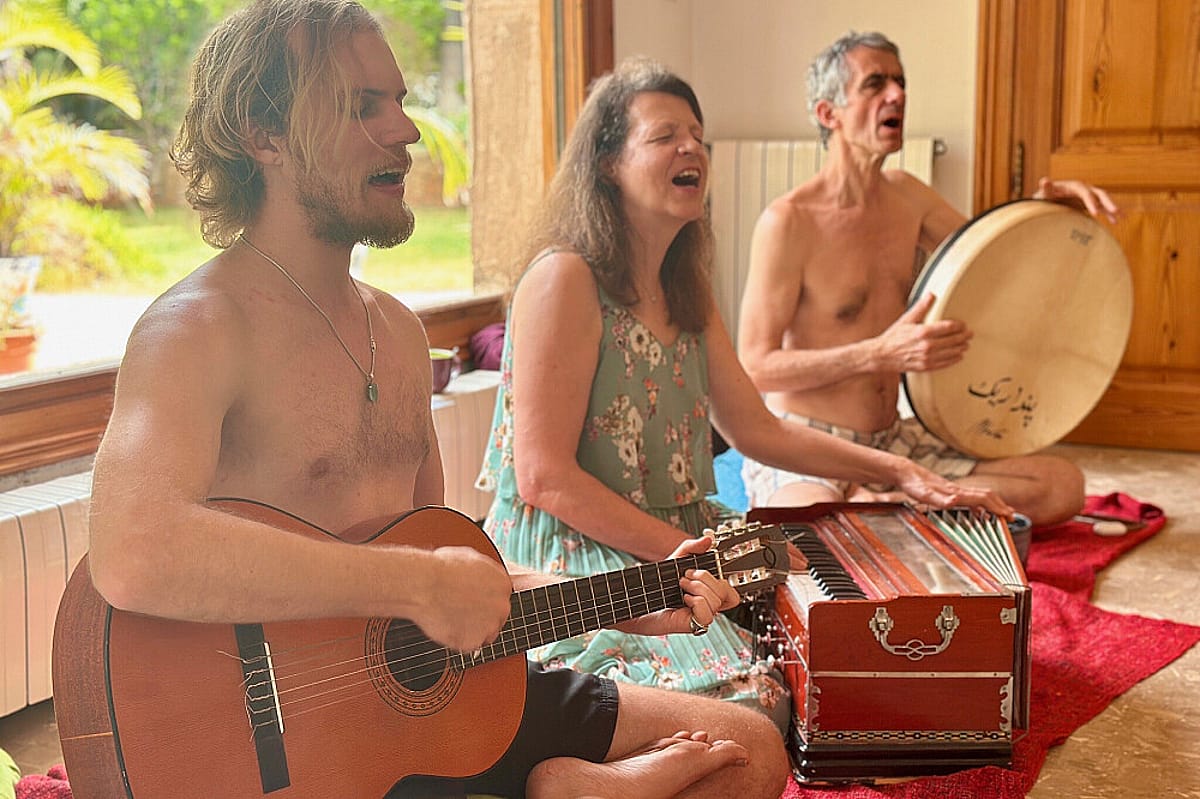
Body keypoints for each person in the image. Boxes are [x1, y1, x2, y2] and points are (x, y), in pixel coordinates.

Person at [84, 3, 792, 797]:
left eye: (401, 101)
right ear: (264, 135)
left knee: (751, 749)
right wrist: (412, 586)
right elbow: (133, 549)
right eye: (362, 106)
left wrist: (627, 601)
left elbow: (449, 581)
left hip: (434, 713)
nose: (407, 132)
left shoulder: (398, 330)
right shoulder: (195, 329)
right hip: (299, 765)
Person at [476, 57, 1011, 722]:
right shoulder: (565, 278)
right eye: (665, 134)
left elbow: (759, 430)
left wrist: (902, 472)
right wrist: (682, 560)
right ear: (609, 163)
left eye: (698, 135)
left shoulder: (686, 291)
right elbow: (543, 478)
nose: (692, 147)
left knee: (832, 597)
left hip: (679, 532)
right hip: (570, 544)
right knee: (750, 705)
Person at [737, 31, 1118, 526]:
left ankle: (887, 506)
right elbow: (756, 367)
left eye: (899, 82)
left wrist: (1046, 211)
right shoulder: (788, 221)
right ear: (828, 113)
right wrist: (877, 353)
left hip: (892, 441)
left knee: (1062, 487)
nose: (896, 94)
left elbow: (996, 261)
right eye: (875, 84)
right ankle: (887, 508)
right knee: (799, 524)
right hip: (812, 442)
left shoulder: (908, 197)